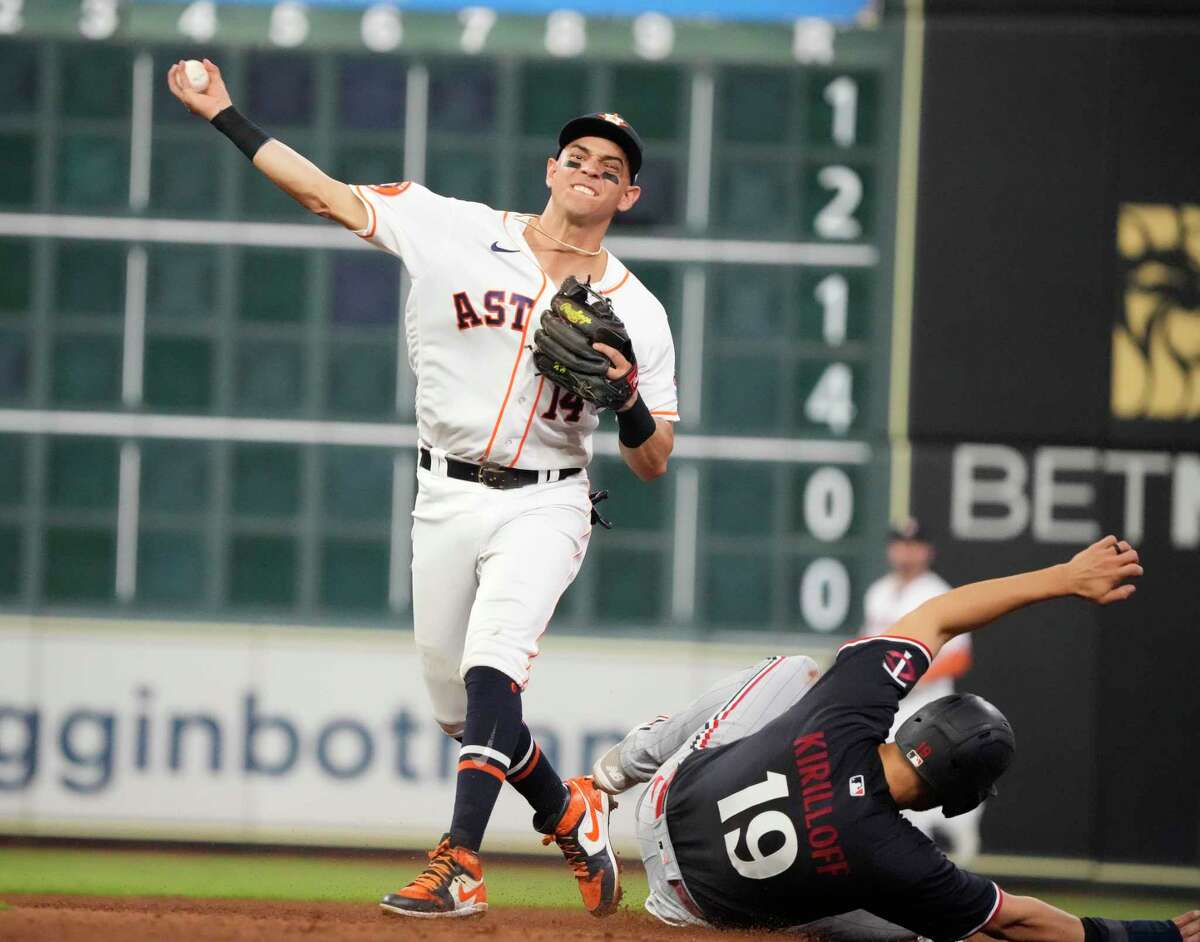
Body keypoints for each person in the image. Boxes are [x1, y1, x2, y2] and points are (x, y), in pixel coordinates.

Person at [166, 60, 679, 919]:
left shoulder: (642, 311)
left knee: (493, 667)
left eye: (611, 169)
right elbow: (326, 195)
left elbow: (654, 458)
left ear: (629, 196)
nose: (591, 172)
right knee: (462, 709)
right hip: (443, 493)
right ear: (549, 169)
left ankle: (460, 863)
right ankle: (569, 811)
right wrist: (226, 114)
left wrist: (625, 399)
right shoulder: (452, 227)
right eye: (578, 157)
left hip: (547, 498)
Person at [593, 536, 1198, 942]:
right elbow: (1016, 920)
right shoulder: (901, 860)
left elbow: (940, 615)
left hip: (664, 809)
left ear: (914, 726)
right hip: (698, 913)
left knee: (797, 670)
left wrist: (1065, 578)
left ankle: (616, 773)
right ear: (950, 797)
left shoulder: (848, 708)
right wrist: (1158, 934)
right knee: (924, 927)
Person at [860, 518, 981, 862]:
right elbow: (869, 645)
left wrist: (910, 676)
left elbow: (958, 658)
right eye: (900, 544)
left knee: (927, 784)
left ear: (928, 550)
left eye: (914, 545)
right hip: (890, 709)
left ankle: (954, 847)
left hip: (929, 710)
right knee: (892, 786)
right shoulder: (878, 591)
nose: (906, 552)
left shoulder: (937, 592)